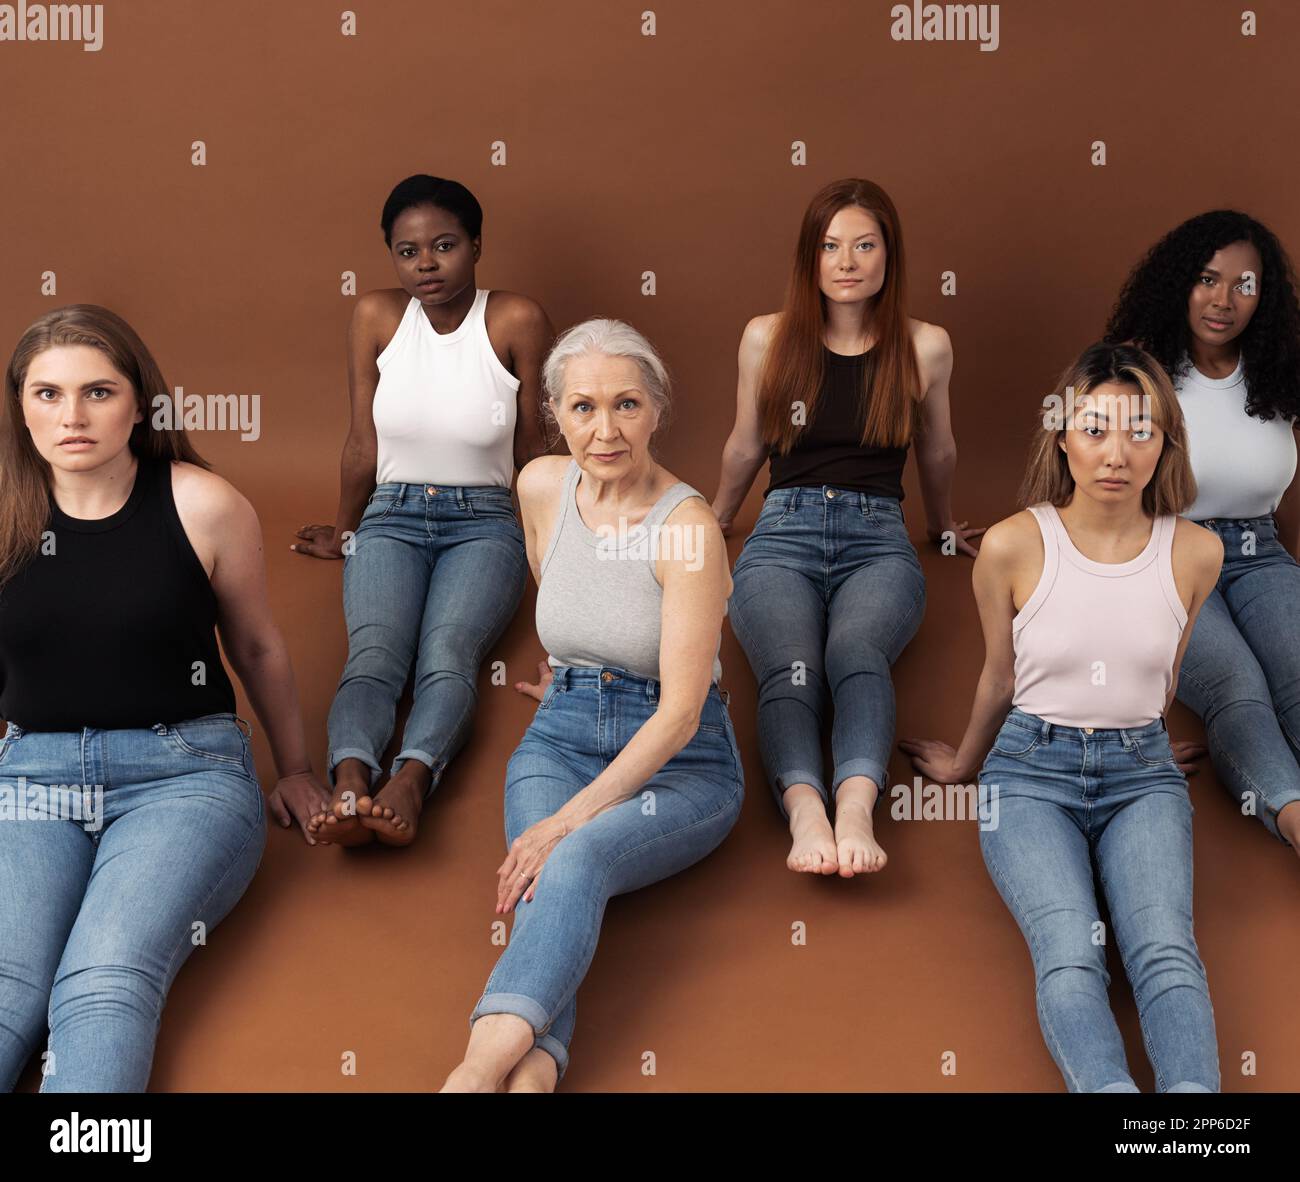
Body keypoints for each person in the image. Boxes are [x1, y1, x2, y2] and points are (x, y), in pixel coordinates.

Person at [0, 304, 331, 1092]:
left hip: (182, 775)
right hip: (32, 779)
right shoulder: (5, 512)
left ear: (139, 401)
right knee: (11, 985)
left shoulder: (202, 503)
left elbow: (253, 646)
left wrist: (294, 768)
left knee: (101, 979)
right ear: (19, 405)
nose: (71, 416)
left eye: (97, 392)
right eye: (46, 394)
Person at [902, 341, 1224, 1093]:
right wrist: (962, 765)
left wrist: (1139, 737)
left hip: (1141, 774)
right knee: (1072, 951)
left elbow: (1164, 672)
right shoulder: (1015, 545)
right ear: (1063, 436)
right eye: (1095, 429)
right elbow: (999, 675)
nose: (1116, 453)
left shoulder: (1197, 553)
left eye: (1139, 431)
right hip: (1028, 774)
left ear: (1165, 443)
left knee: (1164, 949)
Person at [442, 318, 742, 1092]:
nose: (604, 430)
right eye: (582, 408)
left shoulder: (688, 528)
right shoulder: (540, 486)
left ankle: (472, 1076)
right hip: (562, 735)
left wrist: (569, 817)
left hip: (686, 762)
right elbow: (573, 602)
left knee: (570, 855)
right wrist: (584, 676)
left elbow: (678, 715)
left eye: (626, 405)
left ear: (656, 410)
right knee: (551, 885)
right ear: (554, 414)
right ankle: (535, 1075)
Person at [712, 177, 981, 876]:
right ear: (810, 257)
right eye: (830, 246)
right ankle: (805, 811)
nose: (847, 260)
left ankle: (856, 806)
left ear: (889, 256)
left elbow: (938, 448)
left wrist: (944, 524)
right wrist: (716, 517)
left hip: (878, 538)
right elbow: (745, 443)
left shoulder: (926, 346)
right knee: (791, 666)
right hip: (782, 530)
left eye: (865, 244)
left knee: (855, 653)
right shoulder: (765, 338)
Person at [292, 175, 553, 846]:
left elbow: (537, 452)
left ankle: (411, 781)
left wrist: (556, 561)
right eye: (407, 252)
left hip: (487, 520)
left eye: (444, 246)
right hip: (392, 514)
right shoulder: (377, 316)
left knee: (447, 653)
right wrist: (349, 534)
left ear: (476, 245)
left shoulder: (516, 318)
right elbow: (361, 442)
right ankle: (350, 781)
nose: (426, 265)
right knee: (375, 655)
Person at [1105, 209, 1300, 858]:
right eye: (1208, 280)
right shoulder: (1139, 371)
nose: (1223, 301)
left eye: (1244, 285)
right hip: (1167, 551)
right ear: (1179, 283)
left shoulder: (1279, 371)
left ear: (1263, 297)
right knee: (1238, 687)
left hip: (1261, 552)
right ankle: (1296, 820)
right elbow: (1089, 474)